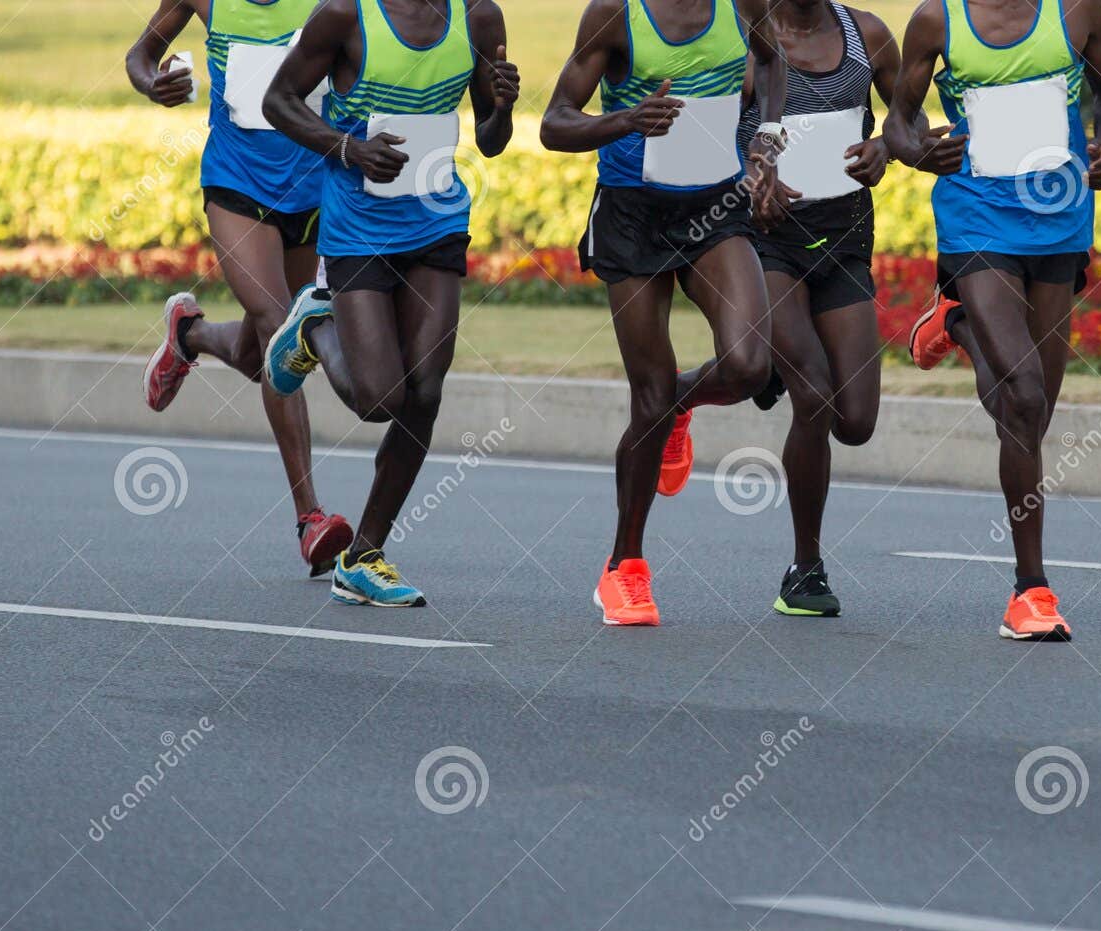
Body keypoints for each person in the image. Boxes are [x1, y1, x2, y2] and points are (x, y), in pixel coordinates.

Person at [257, 0, 519, 607]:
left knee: (424, 392)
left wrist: (501, 106)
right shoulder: (345, 16)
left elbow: (491, 139)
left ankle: (366, 554)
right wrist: (347, 150)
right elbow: (279, 101)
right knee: (380, 400)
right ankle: (315, 330)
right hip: (359, 227)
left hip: (437, 221)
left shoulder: (479, 17)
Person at [541, 0, 790, 627]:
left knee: (750, 365)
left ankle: (685, 400)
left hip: (716, 210)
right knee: (646, 398)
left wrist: (765, 140)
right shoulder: (616, 15)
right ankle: (625, 566)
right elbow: (554, 124)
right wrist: (625, 120)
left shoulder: (744, 6)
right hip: (633, 216)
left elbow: (772, 58)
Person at [885, 0, 1101, 640]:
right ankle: (1031, 591)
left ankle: (954, 320)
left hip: (1059, 214)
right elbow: (898, 125)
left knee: (1033, 412)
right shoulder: (938, 20)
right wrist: (917, 155)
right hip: (977, 215)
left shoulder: (1078, 12)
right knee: (1021, 398)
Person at [128, 0, 353, 576]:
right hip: (237, 186)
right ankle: (310, 519)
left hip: (314, 190)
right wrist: (154, 82)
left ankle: (192, 335)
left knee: (272, 355)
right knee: (284, 331)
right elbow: (140, 54)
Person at [738, 0, 909, 617]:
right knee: (814, 395)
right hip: (767, 241)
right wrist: (751, 174)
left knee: (855, 421)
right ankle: (804, 570)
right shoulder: (745, 39)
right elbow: (710, 143)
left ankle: (771, 366)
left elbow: (906, 119)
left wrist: (885, 146)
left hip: (843, 242)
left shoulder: (866, 35)